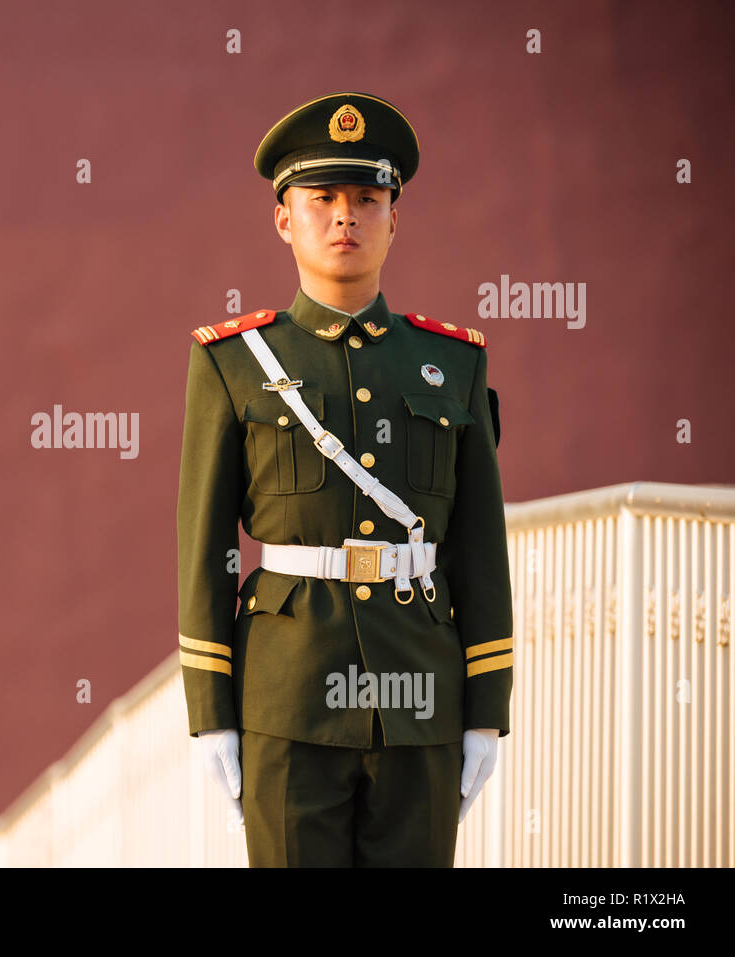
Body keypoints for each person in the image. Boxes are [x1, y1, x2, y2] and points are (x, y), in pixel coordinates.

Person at [175, 92, 514, 866]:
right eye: (321, 198)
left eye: (368, 198)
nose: (345, 217)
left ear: (396, 218)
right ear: (284, 218)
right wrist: (212, 712)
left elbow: (479, 543)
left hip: (419, 697)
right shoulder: (232, 362)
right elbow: (204, 548)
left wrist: (485, 707)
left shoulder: (453, 362)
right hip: (286, 700)